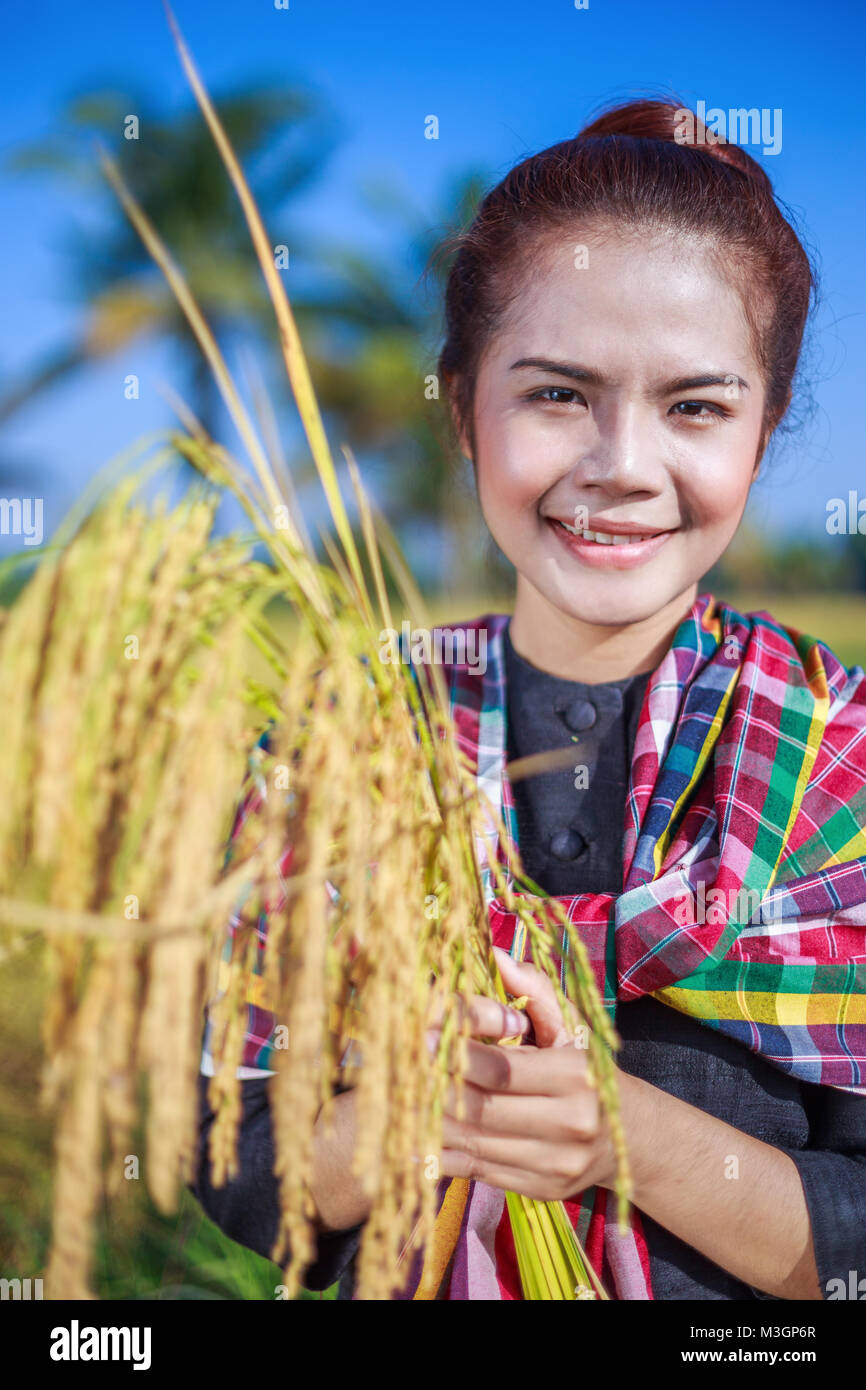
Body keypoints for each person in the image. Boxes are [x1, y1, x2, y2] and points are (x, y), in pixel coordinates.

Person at [191, 97, 866, 1300]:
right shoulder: (347, 739)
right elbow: (238, 1163)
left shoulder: (839, 757)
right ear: (460, 408)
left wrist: (624, 1139)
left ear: (759, 439)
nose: (617, 463)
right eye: (556, 393)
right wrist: (409, 1111)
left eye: (694, 406)